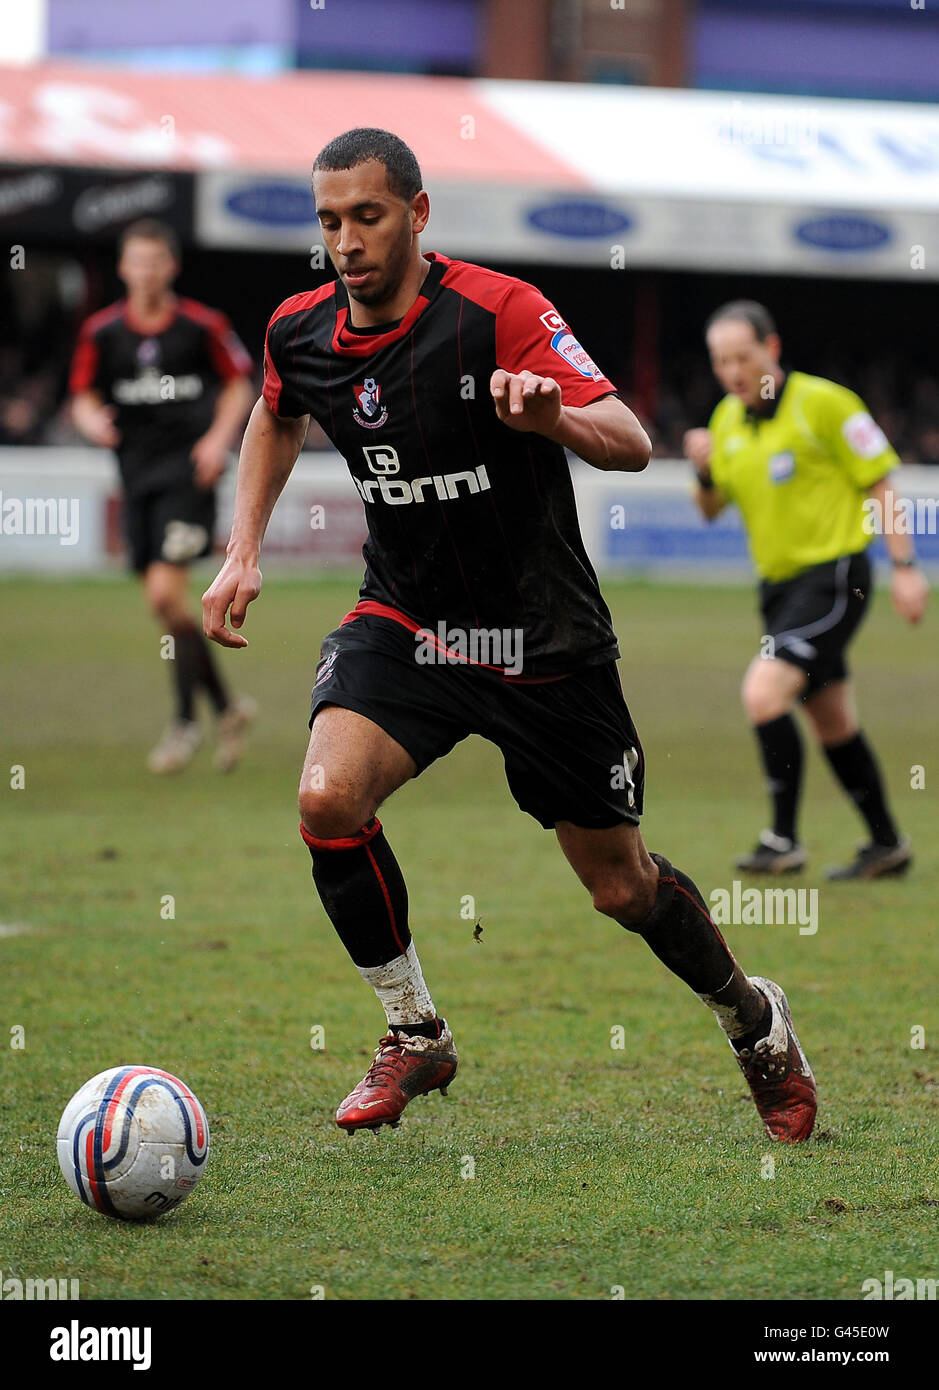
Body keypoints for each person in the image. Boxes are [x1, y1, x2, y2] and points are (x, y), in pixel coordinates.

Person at [203, 128, 816, 1143]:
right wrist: (242, 550)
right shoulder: (298, 330)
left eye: (367, 215)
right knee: (326, 795)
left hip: (545, 640)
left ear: (418, 212)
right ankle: (413, 1031)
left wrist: (555, 424)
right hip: (409, 621)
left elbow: (630, 440)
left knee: (622, 887)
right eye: (329, 221)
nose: (346, 241)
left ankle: (753, 1021)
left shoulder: (500, 311)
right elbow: (275, 412)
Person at [684, 301, 928, 878]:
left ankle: (782, 840)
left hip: (836, 577)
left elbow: (880, 483)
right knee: (831, 719)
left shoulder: (824, 403)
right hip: (778, 590)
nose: (733, 370)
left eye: (743, 356)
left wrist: (907, 566)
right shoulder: (725, 420)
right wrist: (702, 470)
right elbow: (711, 510)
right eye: (721, 361)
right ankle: (886, 844)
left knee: (763, 693)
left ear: (772, 349)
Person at [70, 219, 257, 773]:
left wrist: (218, 440)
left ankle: (184, 724)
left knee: (163, 597)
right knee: (168, 606)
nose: (146, 272)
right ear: (123, 268)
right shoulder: (102, 333)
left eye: (156, 261)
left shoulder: (202, 326)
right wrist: (91, 423)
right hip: (137, 480)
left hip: (188, 477)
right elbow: (81, 394)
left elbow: (239, 383)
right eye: (137, 261)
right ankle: (227, 708)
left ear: (171, 266)